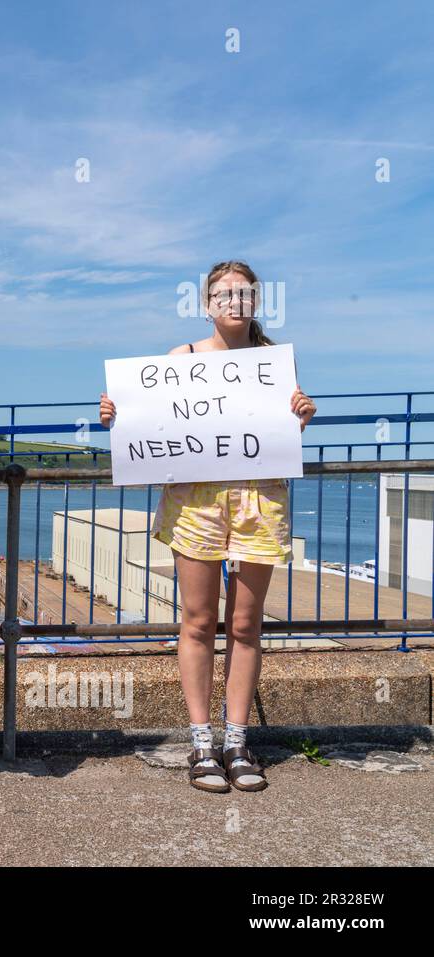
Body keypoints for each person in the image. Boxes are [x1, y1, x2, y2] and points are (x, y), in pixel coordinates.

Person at [99, 261, 316, 793]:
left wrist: (302, 413)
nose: (234, 302)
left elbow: (281, 426)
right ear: (207, 304)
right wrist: (116, 417)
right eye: (224, 294)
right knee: (197, 620)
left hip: (259, 500)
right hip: (195, 502)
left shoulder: (273, 362)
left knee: (245, 624)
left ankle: (236, 741)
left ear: (257, 301)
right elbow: (149, 421)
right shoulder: (182, 359)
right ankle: (201, 742)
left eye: (244, 293)